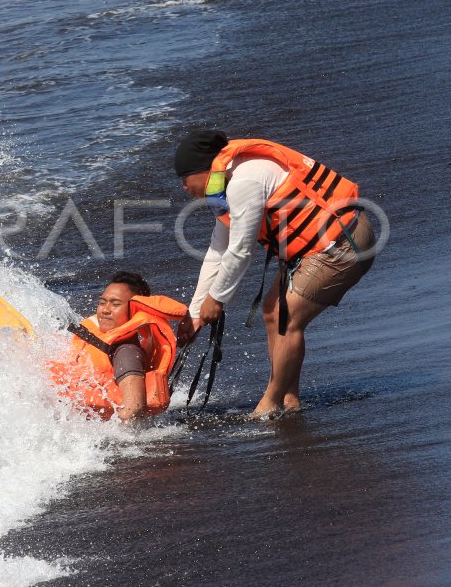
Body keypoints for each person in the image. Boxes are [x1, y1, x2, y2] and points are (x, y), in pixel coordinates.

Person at [174, 131, 379, 417]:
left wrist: (217, 299)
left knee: (285, 316)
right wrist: (195, 313)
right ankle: (289, 400)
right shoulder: (226, 182)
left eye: (184, 179)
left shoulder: (243, 182)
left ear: (205, 170)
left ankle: (269, 402)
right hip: (317, 249)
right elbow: (218, 251)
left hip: (344, 243)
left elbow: (241, 250)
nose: (184, 187)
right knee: (273, 313)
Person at [53, 271, 188, 421]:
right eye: (102, 302)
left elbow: (134, 406)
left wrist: (105, 440)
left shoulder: (126, 352)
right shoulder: (102, 339)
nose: (105, 310)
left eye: (116, 304)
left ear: (135, 310)